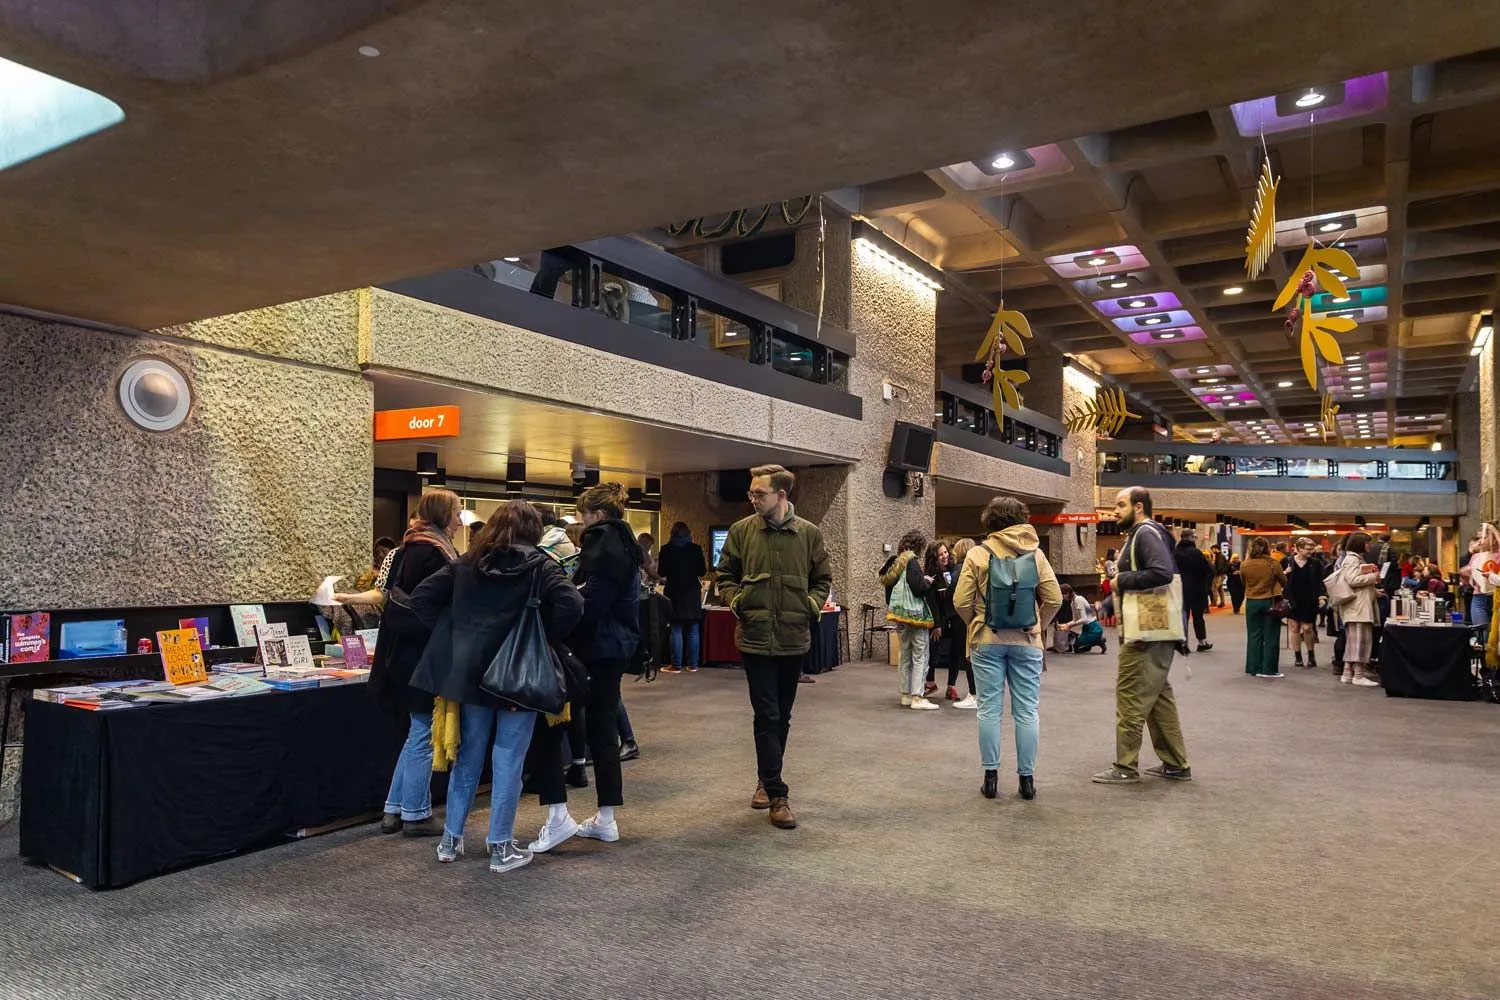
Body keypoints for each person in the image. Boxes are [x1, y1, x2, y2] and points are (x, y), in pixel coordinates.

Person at [406, 501, 584, 873]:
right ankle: (501, 846)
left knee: (467, 758)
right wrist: (541, 635)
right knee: (509, 760)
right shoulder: (541, 566)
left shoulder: (467, 563)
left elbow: (421, 598)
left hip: (468, 674)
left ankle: (450, 840)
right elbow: (572, 605)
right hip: (518, 675)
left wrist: (452, 633)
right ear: (533, 530)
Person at [715, 464, 833, 831]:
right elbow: (725, 576)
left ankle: (765, 778)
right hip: (754, 636)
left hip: (794, 637)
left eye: (758, 493)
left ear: (782, 496)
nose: (752, 499)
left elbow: (822, 578)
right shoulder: (741, 531)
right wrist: (736, 602)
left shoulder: (809, 534)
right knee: (767, 713)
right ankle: (778, 793)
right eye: (751, 493)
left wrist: (811, 606)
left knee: (781, 714)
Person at [528, 483, 642, 854]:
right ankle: (606, 817)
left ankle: (557, 815)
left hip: (591, 650)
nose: (580, 520)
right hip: (615, 649)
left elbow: (589, 603)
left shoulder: (601, 542)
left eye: (582, 513)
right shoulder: (626, 541)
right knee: (603, 731)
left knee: (551, 724)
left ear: (595, 514)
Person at [355, 489, 462, 836]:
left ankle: (394, 808)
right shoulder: (438, 555)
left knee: (414, 732)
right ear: (443, 516)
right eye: (457, 513)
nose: (461, 521)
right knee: (423, 733)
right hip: (423, 655)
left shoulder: (403, 551)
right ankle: (415, 813)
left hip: (396, 654)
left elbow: (386, 598)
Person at [953, 496, 1062, 800]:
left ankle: (990, 778)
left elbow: (960, 601)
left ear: (990, 521)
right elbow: (1055, 599)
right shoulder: (1036, 554)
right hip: (1027, 642)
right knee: (1027, 711)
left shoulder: (978, 553)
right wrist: (1038, 625)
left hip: (988, 640)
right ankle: (1026, 781)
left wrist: (977, 622)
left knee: (989, 709)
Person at [1092, 488, 1191, 784]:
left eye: (1120, 505)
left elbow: (1160, 573)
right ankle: (1176, 763)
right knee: (1159, 699)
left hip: (1146, 634)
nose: (1115, 511)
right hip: (1155, 631)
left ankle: (1125, 766)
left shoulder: (1144, 533)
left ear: (1138, 507)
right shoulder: (1149, 533)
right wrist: (1112, 599)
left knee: (1131, 696)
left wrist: (1120, 580)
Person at [881, 531, 939, 709]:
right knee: (921, 654)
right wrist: (927, 581)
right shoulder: (912, 561)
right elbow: (918, 588)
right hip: (915, 617)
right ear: (918, 546)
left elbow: (889, 591)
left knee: (904, 654)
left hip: (900, 616)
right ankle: (918, 697)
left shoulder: (895, 562)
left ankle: (905, 694)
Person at [925, 539, 977, 707]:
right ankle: (930, 681)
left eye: (945, 552)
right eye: (940, 554)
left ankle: (951, 686)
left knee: (956, 651)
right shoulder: (931, 575)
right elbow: (932, 602)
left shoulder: (953, 570)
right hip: (939, 618)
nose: (945, 556)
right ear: (934, 557)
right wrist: (937, 624)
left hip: (954, 616)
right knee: (933, 648)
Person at [1331, 532, 1382, 687]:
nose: (1369, 546)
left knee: (1353, 641)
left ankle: (1348, 672)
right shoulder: (1352, 559)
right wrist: (1373, 577)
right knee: (1361, 641)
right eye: (1367, 543)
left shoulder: (1353, 558)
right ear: (1360, 544)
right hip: (1358, 606)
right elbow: (1353, 580)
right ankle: (1358, 674)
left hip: (1356, 605)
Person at [657, 522, 708, 673]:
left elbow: (661, 572)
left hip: (674, 591)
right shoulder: (695, 549)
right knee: (693, 628)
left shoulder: (666, 550)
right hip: (692, 591)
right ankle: (693, 665)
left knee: (676, 628)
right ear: (688, 533)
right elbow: (702, 571)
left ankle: (676, 665)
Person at [1239, 537, 1287, 678]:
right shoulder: (1273, 563)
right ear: (1267, 548)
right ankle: (1269, 669)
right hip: (1269, 601)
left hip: (1251, 602)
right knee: (1271, 636)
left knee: (1254, 635)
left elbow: (1243, 582)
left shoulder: (1244, 564)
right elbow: (1284, 581)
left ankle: (1254, 667)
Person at [1284, 537, 1325, 669]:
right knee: (1294, 628)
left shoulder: (1316, 563)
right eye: (1308, 549)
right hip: (1292, 599)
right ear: (1299, 548)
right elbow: (1277, 578)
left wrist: (1321, 596)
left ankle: (1311, 655)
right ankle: (1298, 657)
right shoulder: (1287, 561)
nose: (1311, 552)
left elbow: (1321, 581)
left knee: (1308, 628)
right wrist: (1285, 573)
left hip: (1309, 599)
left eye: (1312, 549)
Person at [1173, 529, 1214, 653]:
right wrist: (1206, 586)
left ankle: (1183, 643)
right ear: (1190, 538)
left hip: (1179, 588)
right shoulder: (1196, 553)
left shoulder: (1175, 553)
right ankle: (1202, 642)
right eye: (1195, 537)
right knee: (1198, 616)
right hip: (1197, 589)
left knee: (1183, 616)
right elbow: (1208, 570)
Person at [1463, 523, 1500, 628]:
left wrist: (1494, 530)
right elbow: (1471, 579)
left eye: (1484, 537)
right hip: (1478, 598)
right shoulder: (1475, 557)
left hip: (1496, 598)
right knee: (1482, 633)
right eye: (1479, 538)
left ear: (1494, 539)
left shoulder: (1498, 555)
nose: (1480, 541)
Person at [1063, 585, 1106, 654]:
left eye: (1063, 594)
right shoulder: (1072, 603)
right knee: (1075, 646)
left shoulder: (1078, 600)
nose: (1063, 597)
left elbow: (1084, 619)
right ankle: (1094, 640)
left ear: (1068, 593)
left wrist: (1070, 625)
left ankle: (1098, 641)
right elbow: (1075, 619)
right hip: (1086, 628)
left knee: (1076, 646)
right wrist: (1066, 625)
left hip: (1093, 628)